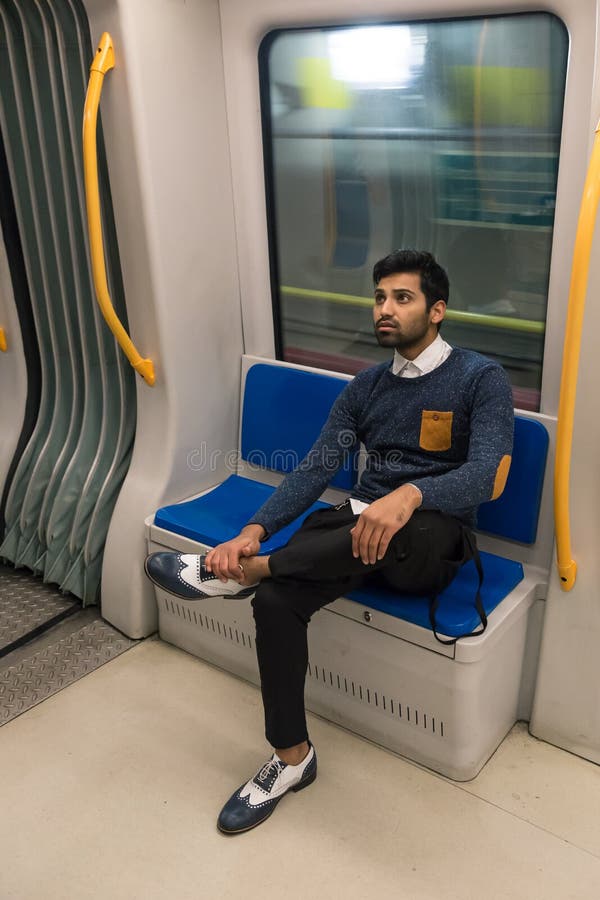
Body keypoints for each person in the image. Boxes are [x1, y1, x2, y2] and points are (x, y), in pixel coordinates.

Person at [145, 249, 514, 835]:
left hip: (431, 540)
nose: (385, 309)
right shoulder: (366, 386)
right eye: (379, 298)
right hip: (354, 532)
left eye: (402, 298)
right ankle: (292, 759)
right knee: (276, 601)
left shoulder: (480, 379)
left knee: (393, 528)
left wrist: (412, 495)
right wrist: (252, 529)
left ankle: (247, 572)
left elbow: (489, 473)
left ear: (437, 310)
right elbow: (316, 468)